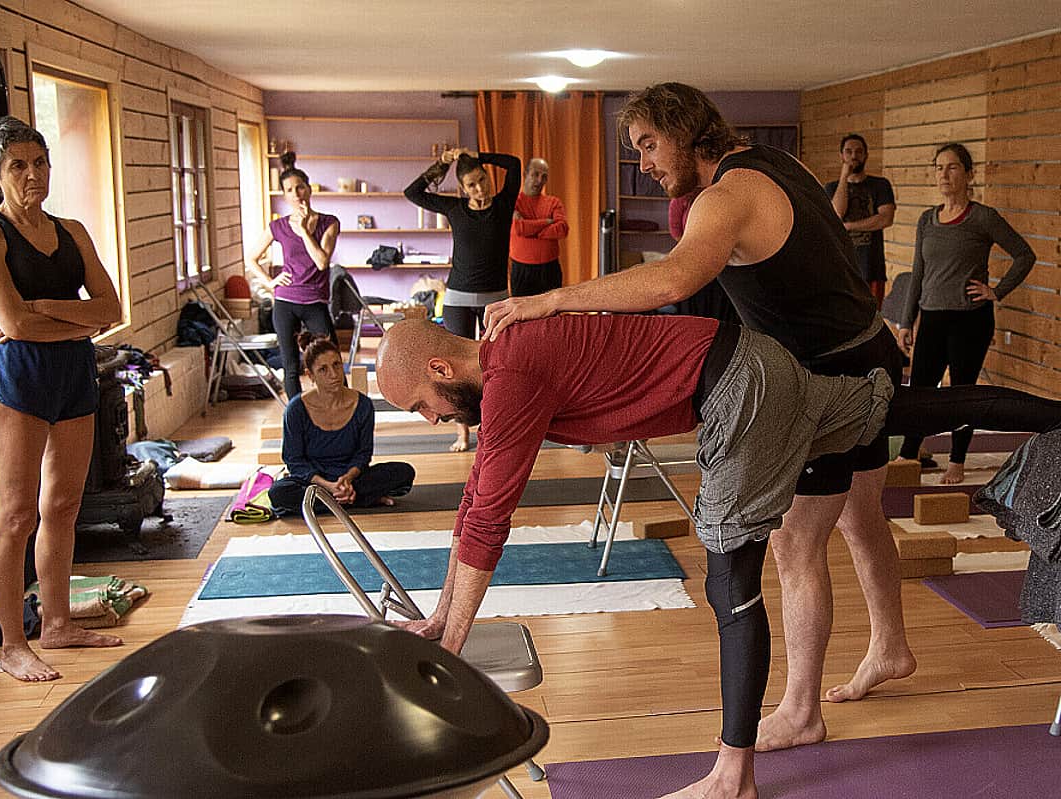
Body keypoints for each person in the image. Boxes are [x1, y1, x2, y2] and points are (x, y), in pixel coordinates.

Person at [376, 314, 1059, 799]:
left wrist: (452, 636)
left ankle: (733, 774)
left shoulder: (511, 372)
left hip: (740, 386)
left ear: (441, 368)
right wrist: (441, 619)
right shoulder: (508, 360)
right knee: (903, 411)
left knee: (728, 572)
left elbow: (491, 515)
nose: (433, 419)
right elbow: (477, 502)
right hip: (752, 366)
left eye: (424, 405)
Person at [481, 82, 912, 795]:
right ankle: (890, 646)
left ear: (685, 129)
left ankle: (801, 710)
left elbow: (674, 278)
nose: (645, 162)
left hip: (831, 377)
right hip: (869, 358)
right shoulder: (780, 163)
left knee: (796, 544)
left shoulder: (725, 197)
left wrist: (551, 297)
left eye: (649, 143)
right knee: (863, 522)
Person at [0, 116, 124, 682]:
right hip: (19, 380)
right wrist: (68, 318)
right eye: (17, 166)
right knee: (16, 514)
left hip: (73, 375)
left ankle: (57, 623)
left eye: (40, 162)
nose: (33, 174)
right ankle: (11, 644)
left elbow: (112, 310)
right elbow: (9, 322)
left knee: (63, 507)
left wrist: (43, 310)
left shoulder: (73, 231)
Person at [895, 142, 1037, 484]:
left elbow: (1024, 255)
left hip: (969, 320)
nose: (944, 174)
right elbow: (918, 273)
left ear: (969, 174)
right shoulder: (927, 219)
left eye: (952, 167)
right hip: (931, 317)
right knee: (921, 390)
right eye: (939, 168)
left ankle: (957, 461)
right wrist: (905, 320)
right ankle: (907, 454)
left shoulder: (983, 217)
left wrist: (996, 291)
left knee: (962, 391)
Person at [405, 147, 520, 452]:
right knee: (455, 368)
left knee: (493, 364)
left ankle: (490, 426)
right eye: (472, 184)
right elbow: (413, 192)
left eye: (482, 180)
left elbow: (514, 163)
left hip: (495, 300)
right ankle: (462, 433)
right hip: (457, 298)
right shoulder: (455, 209)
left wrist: (479, 155)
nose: (480, 188)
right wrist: (441, 164)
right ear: (463, 188)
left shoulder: (503, 204)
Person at [268, 333, 415, 516]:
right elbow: (294, 461)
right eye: (323, 369)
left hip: (352, 479)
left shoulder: (362, 405)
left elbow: (363, 454)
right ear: (310, 375)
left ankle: (335, 501)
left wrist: (347, 478)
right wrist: (328, 486)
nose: (333, 374)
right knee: (278, 493)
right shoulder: (296, 409)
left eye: (337, 365)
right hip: (314, 482)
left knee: (404, 472)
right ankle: (357, 500)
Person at [248, 152, 340, 399]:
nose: (296, 193)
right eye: (290, 190)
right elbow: (251, 258)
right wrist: (269, 283)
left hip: (315, 302)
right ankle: (296, 415)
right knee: (290, 366)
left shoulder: (329, 222)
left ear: (309, 190)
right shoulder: (277, 227)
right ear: (285, 196)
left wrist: (303, 232)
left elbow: (321, 262)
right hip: (286, 301)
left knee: (331, 358)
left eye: (300, 187)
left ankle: (334, 406)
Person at [824, 133, 896, 303]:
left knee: (873, 322)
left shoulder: (880, 185)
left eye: (858, 151)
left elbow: (885, 218)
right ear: (841, 155)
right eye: (848, 152)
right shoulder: (831, 187)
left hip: (872, 268)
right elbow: (836, 215)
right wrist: (844, 177)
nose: (853, 156)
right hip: (841, 270)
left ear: (866, 155)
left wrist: (849, 227)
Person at [668, 187, 740, 324]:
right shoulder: (682, 200)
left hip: (724, 264)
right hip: (693, 263)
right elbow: (676, 233)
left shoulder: (723, 197)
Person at [510, 157, 568, 296]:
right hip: (522, 270)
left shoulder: (554, 202)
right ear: (525, 174)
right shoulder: (513, 202)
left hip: (550, 269)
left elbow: (562, 229)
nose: (539, 180)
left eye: (544, 177)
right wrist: (547, 222)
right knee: (521, 314)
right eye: (535, 174)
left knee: (553, 315)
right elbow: (520, 228)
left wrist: (531, 229)